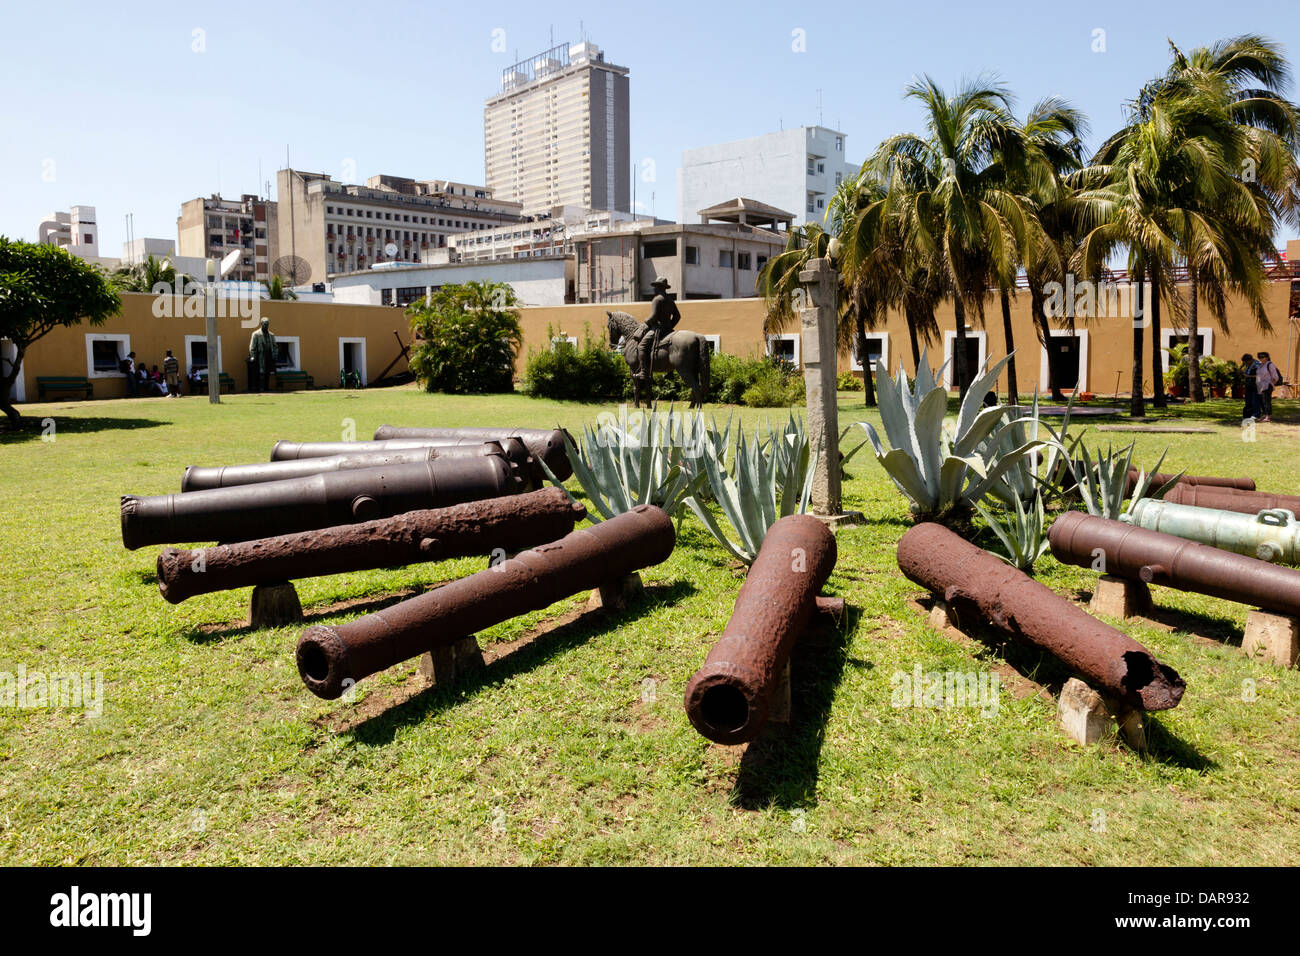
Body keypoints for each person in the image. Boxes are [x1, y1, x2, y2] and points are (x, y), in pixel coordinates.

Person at [637, 276, 681, 397]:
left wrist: (645, 322)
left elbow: (654, 317)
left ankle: (643, 372)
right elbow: (677, 316)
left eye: (655, 286)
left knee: (641, 347)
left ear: (659, 287)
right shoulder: (670, 300)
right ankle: (669, 372)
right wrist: (669, 326)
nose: (654, 289)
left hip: (658, 329)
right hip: (668, 329)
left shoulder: (657, 299)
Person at [248, 317, 277, 393]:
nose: (266, 326)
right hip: (260, 355)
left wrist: (275, 354)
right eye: (264, 324)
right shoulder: (256, 334)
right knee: (261, 371)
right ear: (261, 324)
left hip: (269, 355)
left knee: (268, 371)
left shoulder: (271, 335)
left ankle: (266, 387)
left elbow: (275, 346)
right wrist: (252, 356)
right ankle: (261, 388)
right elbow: (252, 346)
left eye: (267, 324)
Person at [1256, 350, 1281, 422]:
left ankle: (1268, 416)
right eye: (1259, 357)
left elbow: (1275, 376)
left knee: (1266, 401)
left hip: (1267, 385)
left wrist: (1271, 383)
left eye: (1262, 357)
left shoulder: (1270, 364)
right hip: (1260, 386)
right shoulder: (1260, 365)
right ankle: (1264, 414)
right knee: (1262, 401)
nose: (1261, 358)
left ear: (1267, 357)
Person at [1241, 353, 1260, 421]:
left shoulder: (1257, 364)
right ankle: (1247, 414)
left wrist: (1248, 376)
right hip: (1248, 384)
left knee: (1255, 400)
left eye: (1246, 361)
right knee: (1248, 400)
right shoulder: (1247, 365)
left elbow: (1260, 376)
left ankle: (1256, 415)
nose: (1245, 363)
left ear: (1250, 360)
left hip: (1255, 385)